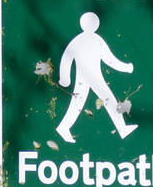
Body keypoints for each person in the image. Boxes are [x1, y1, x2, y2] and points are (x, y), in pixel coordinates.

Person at [55, 12, 137, 143]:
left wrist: (65, 79)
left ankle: (122, 128)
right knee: (95, 101)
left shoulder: (91, 40)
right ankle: (64, 127)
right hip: (88, 78)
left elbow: (109, 59)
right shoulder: (90, 40)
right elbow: (67, 57)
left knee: (87, 102)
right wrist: (126, 68)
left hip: (92, 77)